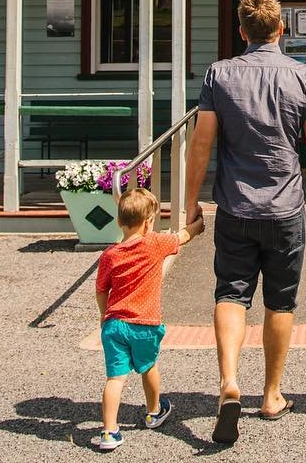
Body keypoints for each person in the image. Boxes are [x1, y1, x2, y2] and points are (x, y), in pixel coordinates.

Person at [184, 0, 306, 445]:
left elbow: (201, 144)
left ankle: (229, 383)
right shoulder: (303, 77)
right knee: (280, 301)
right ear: (281, 30)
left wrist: (190, 203)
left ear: (241, 31)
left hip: (234, 205)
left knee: (231, 294)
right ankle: (271, 394)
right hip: (285, 208)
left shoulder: (219, 74)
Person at [94, 187, 204, 452]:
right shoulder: (154, 244)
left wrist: (103, 315)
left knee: (115, 379)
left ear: (119, 221)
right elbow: (182, 237)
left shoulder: (110, 255)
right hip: (145, 323)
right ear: (148, 222)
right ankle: (154, 410)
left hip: (114, 324)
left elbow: (101, 290)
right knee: (148, 366)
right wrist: (198, 224)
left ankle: (109, 431)